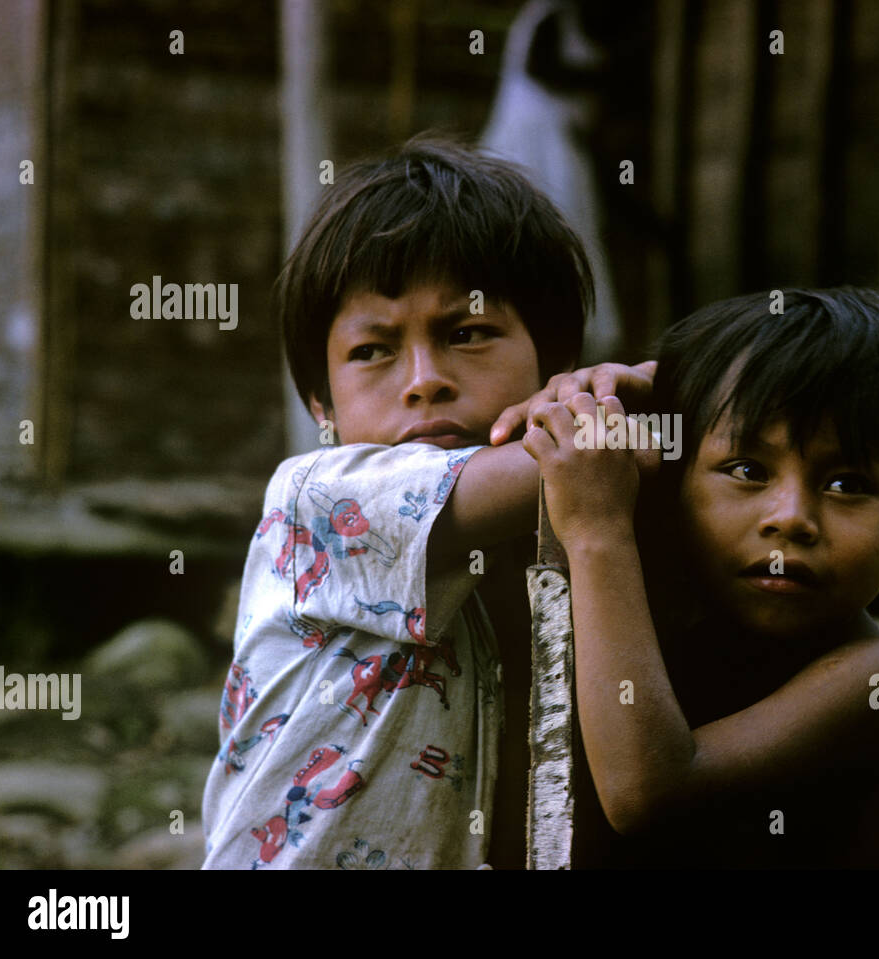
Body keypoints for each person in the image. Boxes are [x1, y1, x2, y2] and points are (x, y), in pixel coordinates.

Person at [201, 134, 654, 869]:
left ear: (553, 363)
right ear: (322, 405)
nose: (423, 379)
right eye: (374, 350)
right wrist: (651, 399)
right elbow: (587, 454)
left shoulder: (578, 540)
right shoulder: (319, 497)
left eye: (467, 333)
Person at [523, 286, 879, 867]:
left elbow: (646, 791)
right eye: (747, 469)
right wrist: (601, 404)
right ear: (669, 481)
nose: (791, 518)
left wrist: (597, 526)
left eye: (846, 484)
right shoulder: (663, 608)